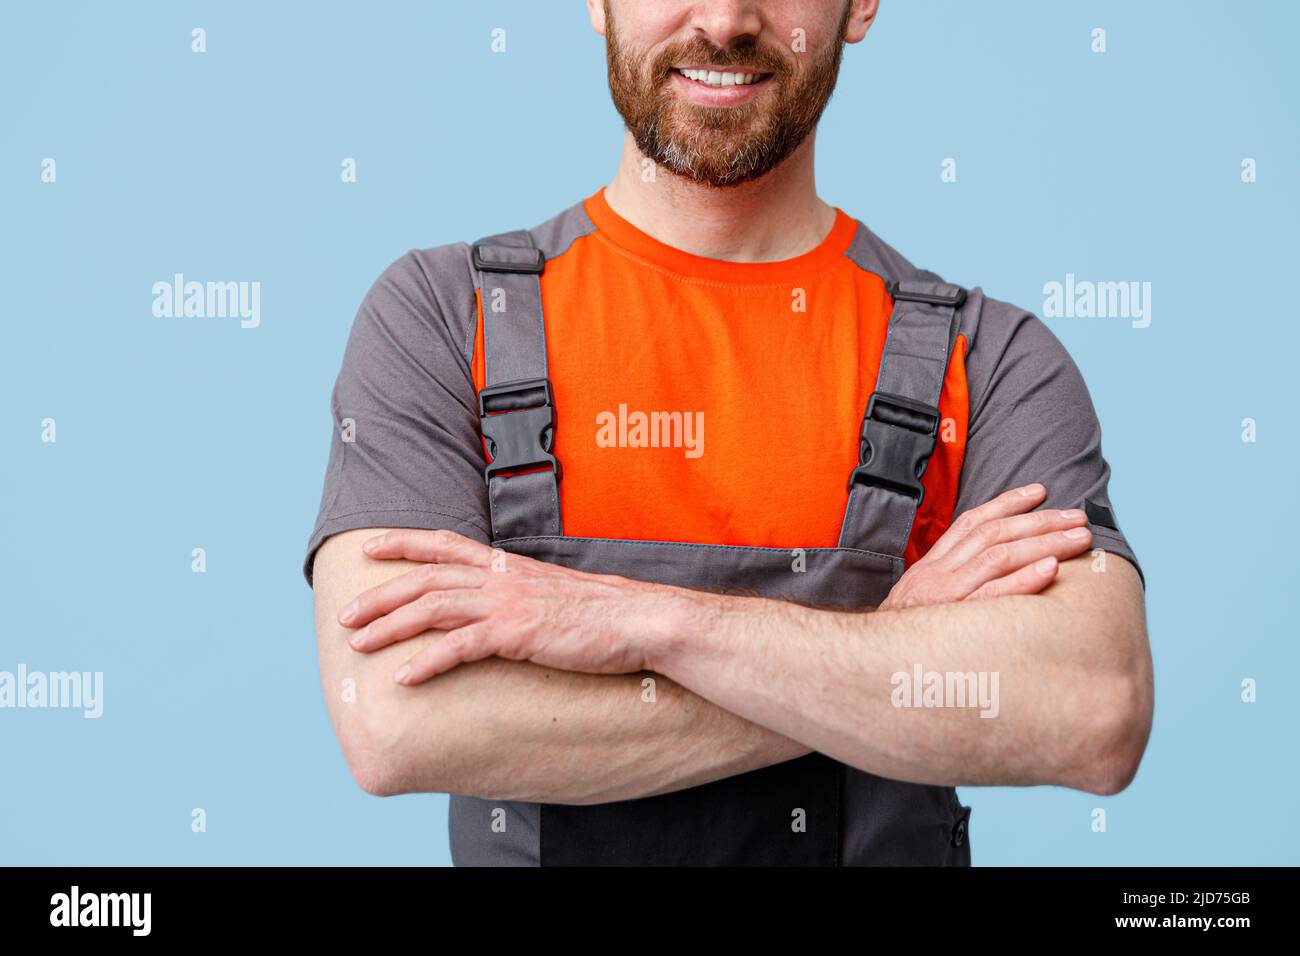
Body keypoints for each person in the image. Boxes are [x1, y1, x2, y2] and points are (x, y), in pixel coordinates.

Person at [304, 0, 1151, 866]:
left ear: (860, 7)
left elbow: (1093, 711)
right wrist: (885, 647)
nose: (725, 18)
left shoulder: (990, 361)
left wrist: (646, 625)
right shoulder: (446, 319)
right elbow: (395, 721)